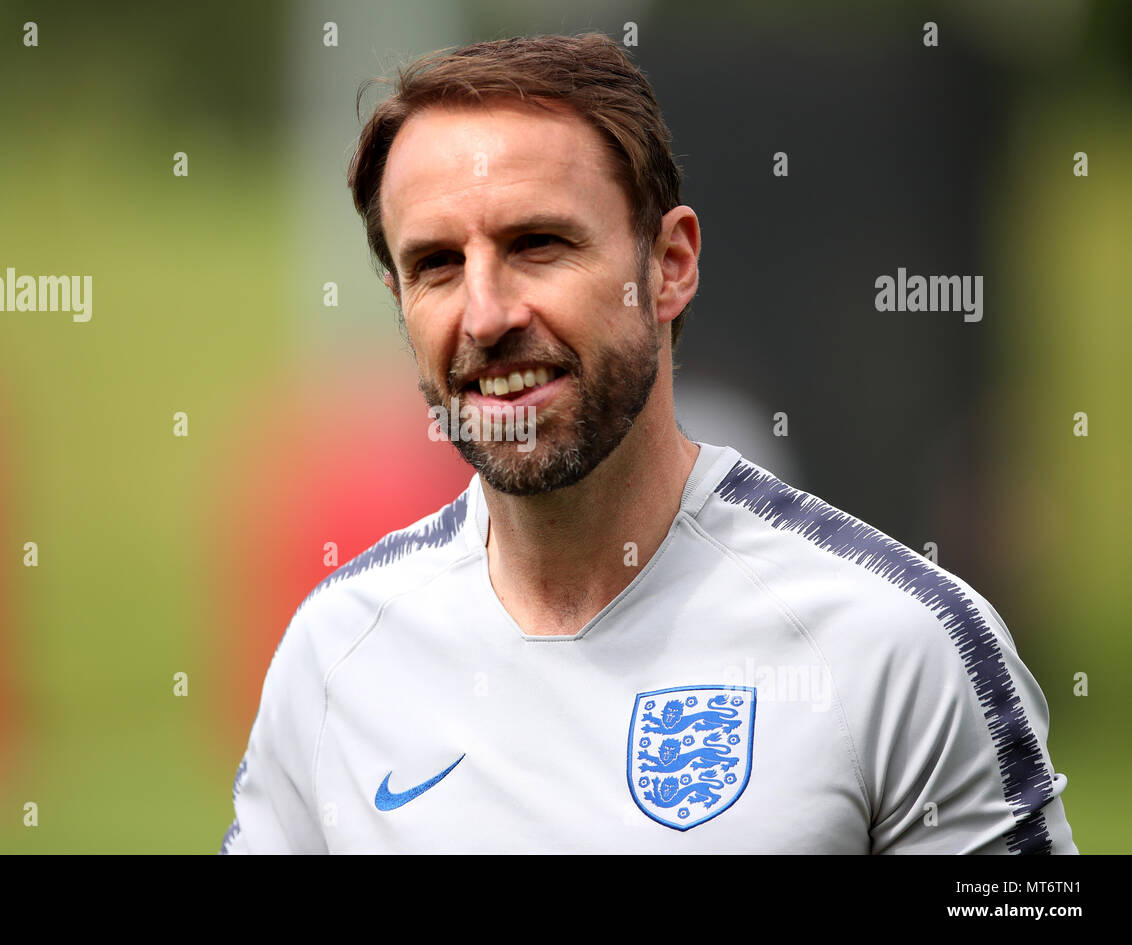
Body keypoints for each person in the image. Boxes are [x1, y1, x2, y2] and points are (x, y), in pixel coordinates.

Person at [220, 32, 1076, 853]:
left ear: (669, 266)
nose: (484, 315)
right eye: (438, 264)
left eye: (538, 245)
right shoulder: (334, 657)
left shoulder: (898, 647)